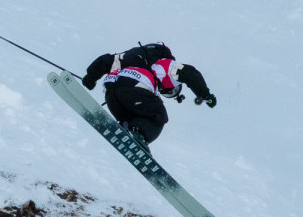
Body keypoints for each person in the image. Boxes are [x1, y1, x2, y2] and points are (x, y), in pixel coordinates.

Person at [81, 42, 216, 148]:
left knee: (137, 113)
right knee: (158, 115)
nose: (167, 91)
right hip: (134, 92)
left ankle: (128, 128)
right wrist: (205, 95)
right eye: (172, 90)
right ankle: (140, 134)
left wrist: (90, 77)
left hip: (112, 97)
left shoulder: (126, 57)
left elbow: (105, 60)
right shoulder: (164, 65)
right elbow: (189, 72)